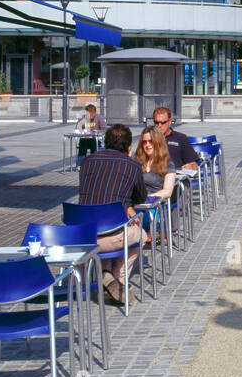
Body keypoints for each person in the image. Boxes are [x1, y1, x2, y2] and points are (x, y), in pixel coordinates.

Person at [77, 123, 148, 306]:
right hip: (110, 236)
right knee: (141, 234)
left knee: (107, 223)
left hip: (81, 235)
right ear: (129, 148)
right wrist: (128, 205)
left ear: (105, 143)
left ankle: (104, 273)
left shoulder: (87, 162)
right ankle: (118, 280)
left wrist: (124, 203)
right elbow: (141, 197)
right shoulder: (132, 165)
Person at [150, 106, 199, 173]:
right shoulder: (148, 138)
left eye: (163, 122)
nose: (159, 125)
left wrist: (190, 167)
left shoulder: (181, 138)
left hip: (176, 178)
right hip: (154, 178)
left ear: (170, 122)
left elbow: (194, 165)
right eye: (156, 122)